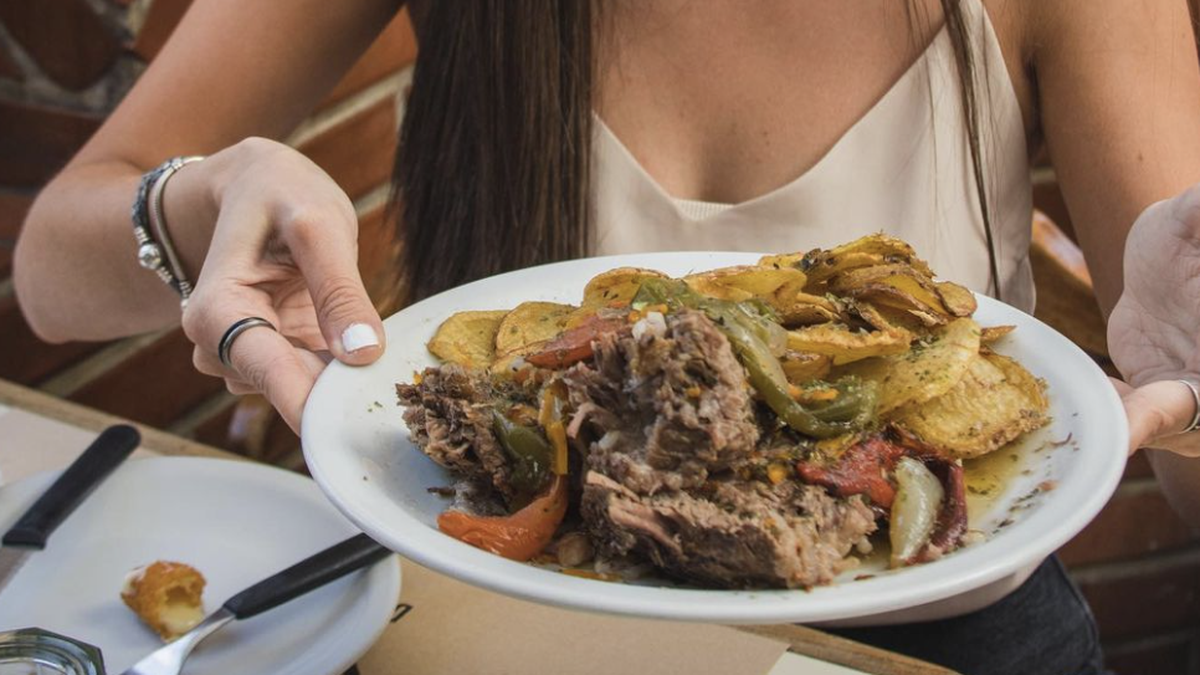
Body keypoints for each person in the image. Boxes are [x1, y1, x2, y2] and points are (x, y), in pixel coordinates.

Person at [12, 0, 1200, 672]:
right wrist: (193, 201)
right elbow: (49, 281)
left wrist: (1194, 370)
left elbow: (1183, 453)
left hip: (946, 646)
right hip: (507, 629)